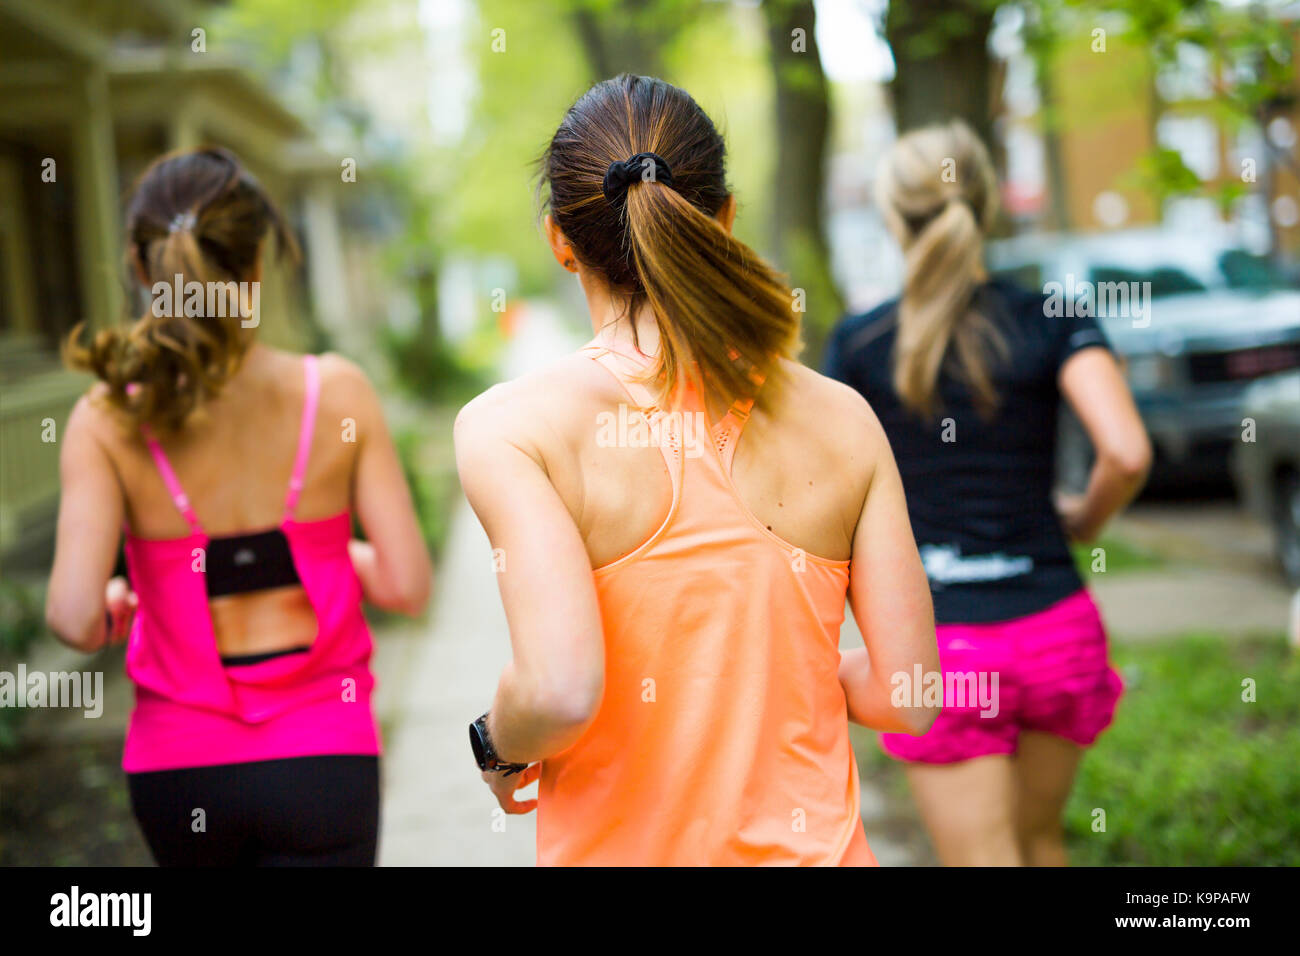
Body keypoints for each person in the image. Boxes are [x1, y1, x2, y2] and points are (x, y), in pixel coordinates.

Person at [454, 74, 940, 866]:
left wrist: (495, 742)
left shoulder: (513, 431)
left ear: (559, 240)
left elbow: (558, 691)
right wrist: (785, 671)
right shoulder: (842, 417)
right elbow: (912, 696)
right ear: (723, 217)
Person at [46, 146, 432, 866]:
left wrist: (117, 602)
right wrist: (334, 552)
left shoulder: (106, 419)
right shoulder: (337, 393)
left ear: (140, 268)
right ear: (258, 266)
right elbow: (407, 586)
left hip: (181, 773)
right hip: (325, 762)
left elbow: (73, 617)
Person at [825, 120, 1152, 866]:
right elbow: (1127, 451)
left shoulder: (860, 343)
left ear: (890, 215)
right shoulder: (1053, 317)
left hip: (942, 650)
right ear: (989, 203)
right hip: (1058, 632)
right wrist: (1085, 519)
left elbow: (824, 490)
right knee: (1041, 844)